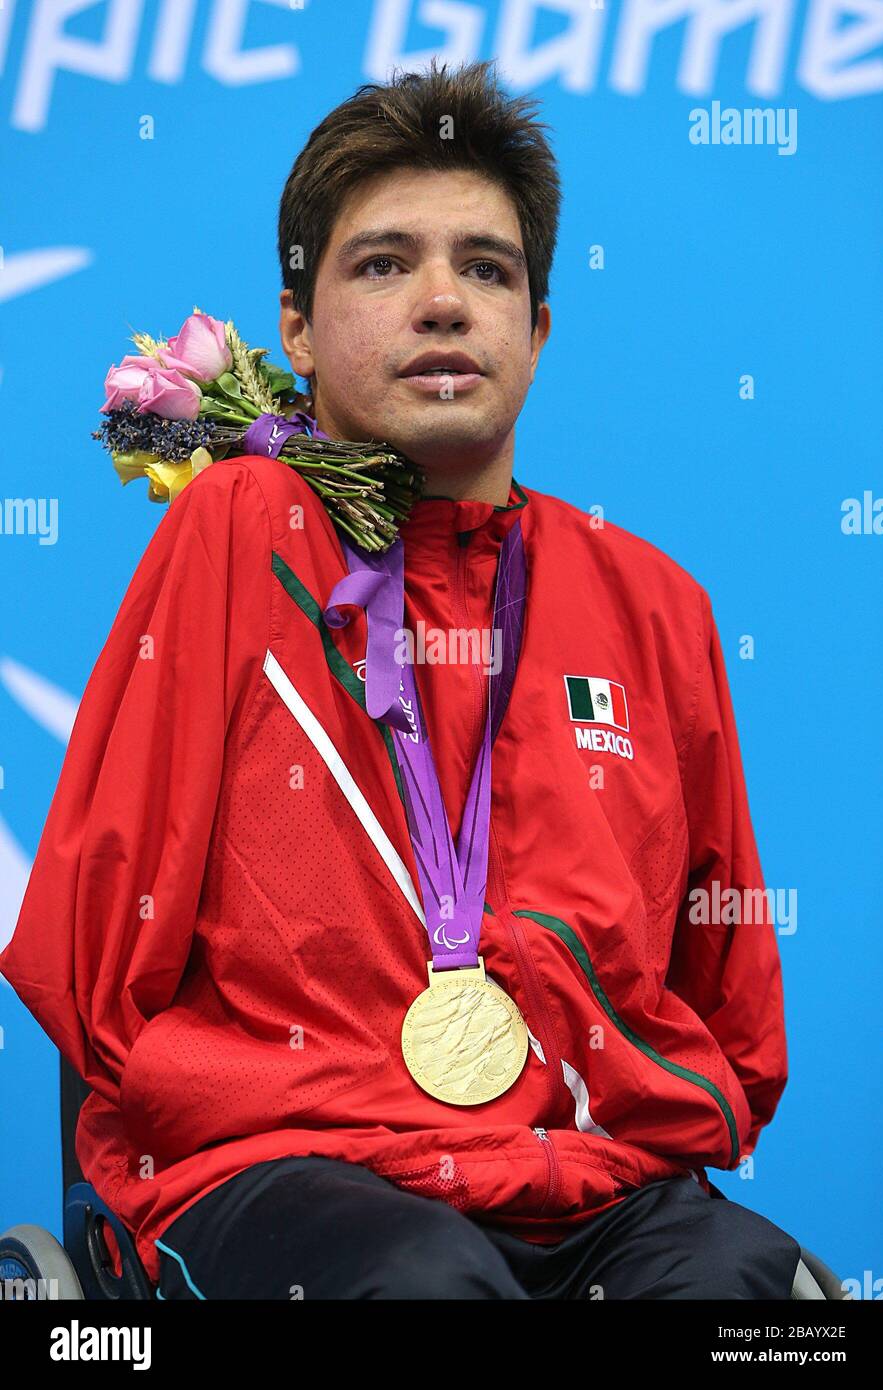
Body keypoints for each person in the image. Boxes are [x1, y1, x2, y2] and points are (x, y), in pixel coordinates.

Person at [0, 59, 800, 1300]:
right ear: (298, 328)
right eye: (382, 264)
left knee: (739, 1291)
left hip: (586, 1176)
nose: (441, 302)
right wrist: (292, 1090)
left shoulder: (653, 604)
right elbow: (96, 948)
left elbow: (729, 1004)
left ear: (536, 328)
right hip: (290, 1166)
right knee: (424, 1281)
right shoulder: (240, 529)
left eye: (486, 269)